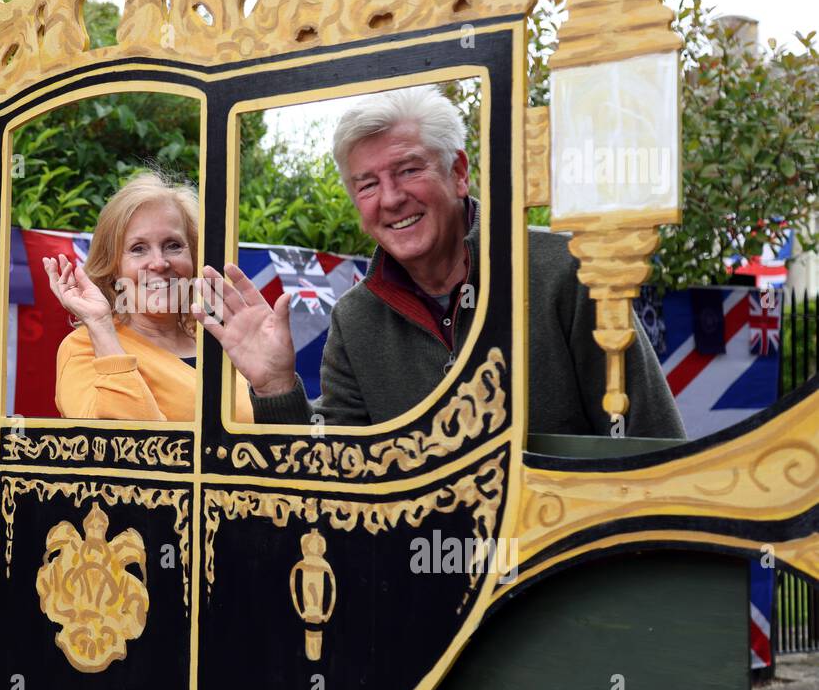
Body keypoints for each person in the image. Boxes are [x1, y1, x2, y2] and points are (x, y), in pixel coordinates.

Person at [194, 85, 685, 438]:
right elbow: (332, 480)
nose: (390, 198)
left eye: (409, 170)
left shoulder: (566, 270)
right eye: (367, 184)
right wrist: (277, 385)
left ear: (459, 174)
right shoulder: (356, 319)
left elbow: (651, 441)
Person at [44, 174, 254, 422]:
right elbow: (122, 446)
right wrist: (101, 328)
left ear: (194, 257)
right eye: (138, 249)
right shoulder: (83, 348)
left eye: (173, 245)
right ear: (113, 267)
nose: (159, 263)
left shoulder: (219, 339)